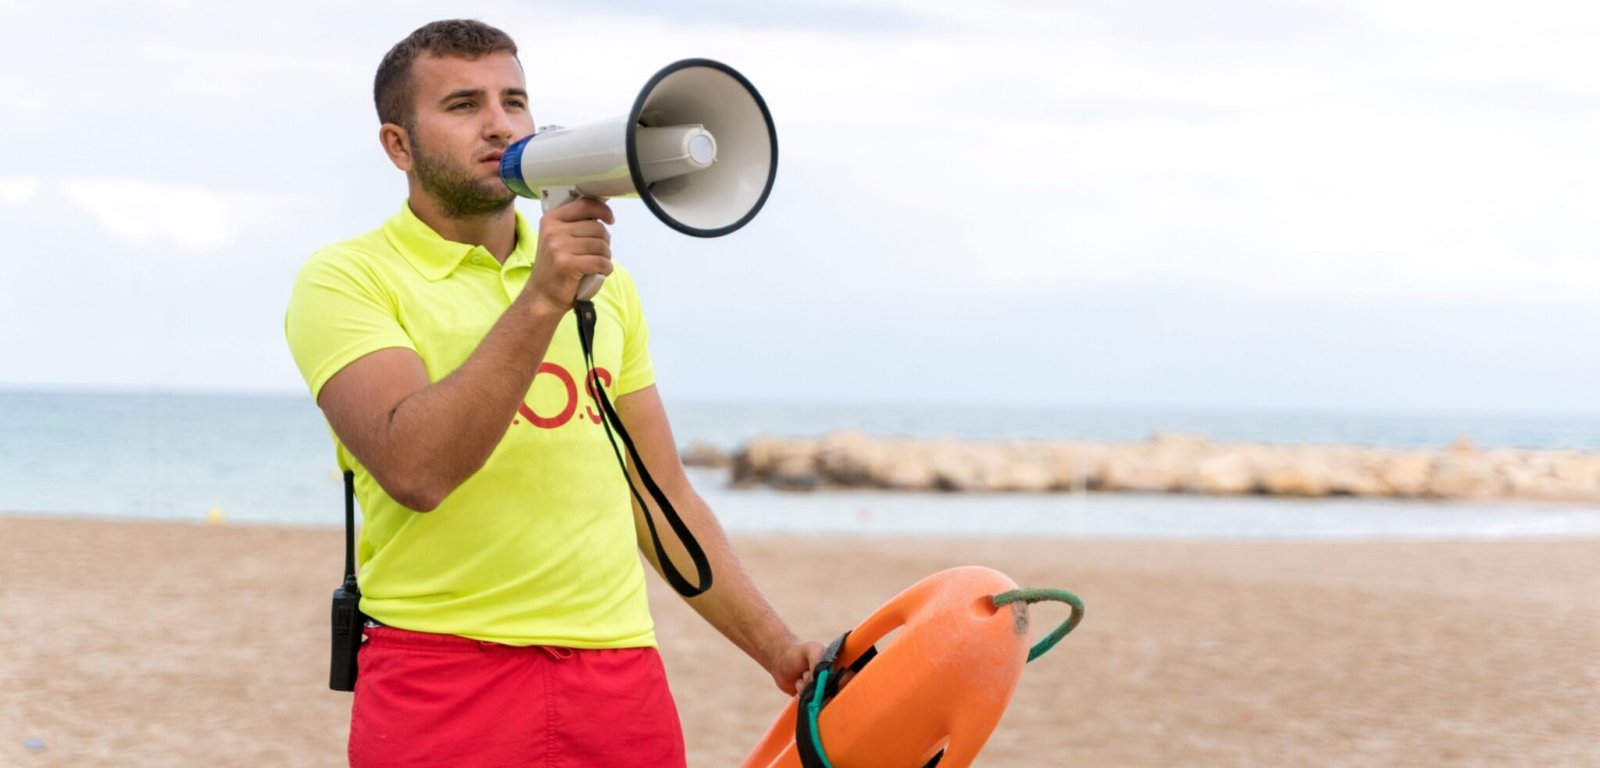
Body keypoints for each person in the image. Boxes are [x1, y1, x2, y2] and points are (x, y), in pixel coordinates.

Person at [284, 19, 820, 767]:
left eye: (515, 99)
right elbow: (416, 470)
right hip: (442, 669)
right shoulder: (348, 280)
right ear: (398, 146)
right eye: (464, 104)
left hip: (617, 670)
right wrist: (541, 299)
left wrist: (779, 647)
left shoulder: (609, 290)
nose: (499, 123)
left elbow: (659, 493)